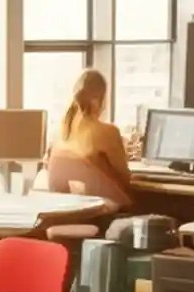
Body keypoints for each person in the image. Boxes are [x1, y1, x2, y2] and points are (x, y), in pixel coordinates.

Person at [46, 69, 134, 210]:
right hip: (105, 211)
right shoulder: (108, 132)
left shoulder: (59, 134)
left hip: (69, 211)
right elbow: (125, 177)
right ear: (99, 100)